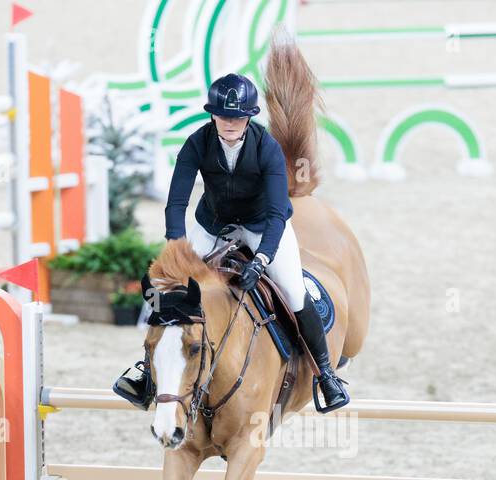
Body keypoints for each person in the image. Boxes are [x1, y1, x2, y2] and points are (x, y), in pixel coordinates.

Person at [113, 72, 349, 414]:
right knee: (170, 289)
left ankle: (325, 375)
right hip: (213, 225)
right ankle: (146, 374)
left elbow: (275, 213)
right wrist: (175, 246)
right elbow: (177, 201)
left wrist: (262, 259)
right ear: (213, 115)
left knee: (294, 291)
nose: (230, 123)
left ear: (249, 117)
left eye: (237, 117)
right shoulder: (197, 142)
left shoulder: (266, 147)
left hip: (262, 225)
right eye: (224, 116)